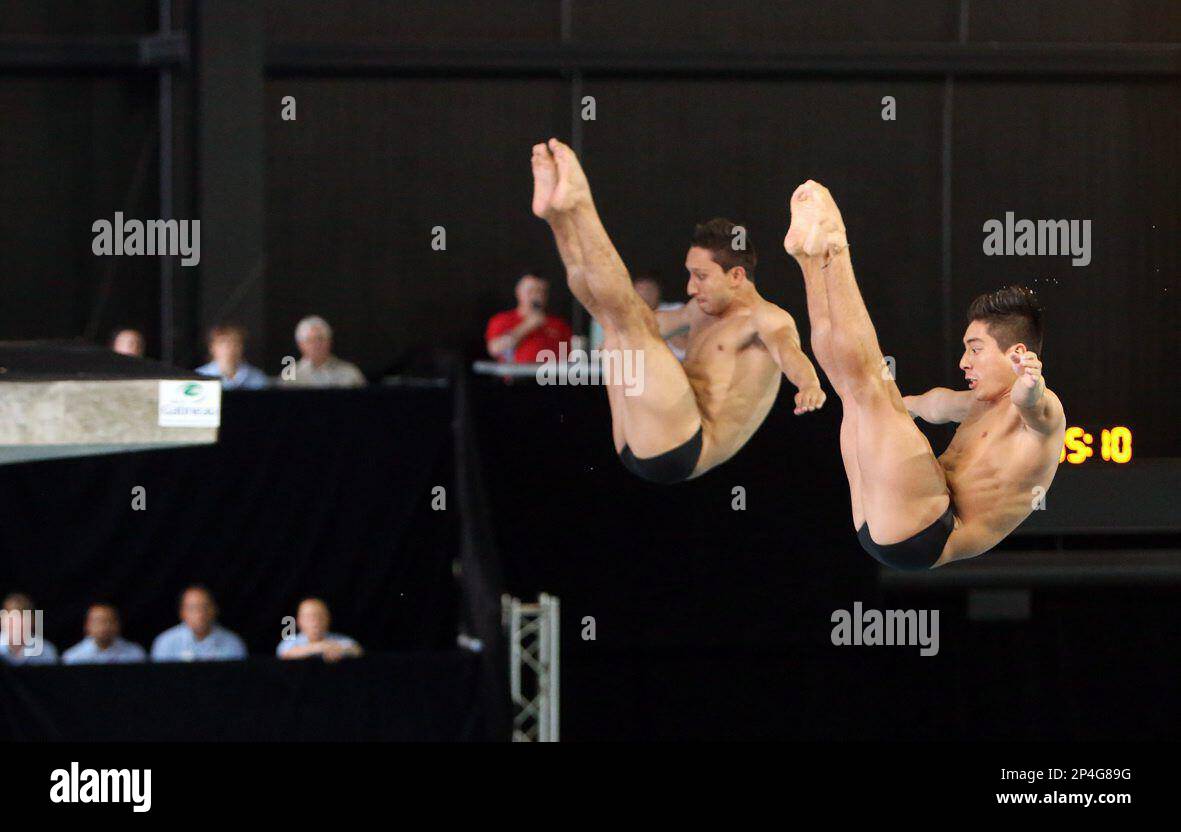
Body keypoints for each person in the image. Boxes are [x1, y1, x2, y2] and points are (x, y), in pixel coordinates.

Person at [782, 180, 1065, 570]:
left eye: (975, 349)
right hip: (884, 521)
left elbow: (1031, 406)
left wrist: (1031, 385)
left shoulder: (1044, 411)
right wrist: (898, 409)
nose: (964, 362)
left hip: (931, 531)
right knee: (853, 391)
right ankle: (810, 262)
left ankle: (834, 244)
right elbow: (931, 404)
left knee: (870, 388)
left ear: (1017, 353)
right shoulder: (978, 403)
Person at [530, 138, 825, 484]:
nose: (689, 288)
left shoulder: (766, 318)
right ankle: (557, 217)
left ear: (736, 276)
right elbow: (632, 319)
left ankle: (580, 204)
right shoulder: (699, 311)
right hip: (635, 441)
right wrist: (619, 341)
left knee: (629, 322)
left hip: (685, 446)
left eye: (700, 276)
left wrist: (809, 384)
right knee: (611, 322)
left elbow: (788, 351)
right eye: (690, 274)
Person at [485, 272, 573, 362]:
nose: (536, 296)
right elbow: (494, 349)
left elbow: (571, 354)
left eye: (541, 292)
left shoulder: (558, 324)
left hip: (550, 374)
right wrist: (527, 326)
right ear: (518, 292)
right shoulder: (502, 320)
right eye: (531, 291)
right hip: (517, 374)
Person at [150, 586, 247, 662]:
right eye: (192, 608)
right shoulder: (165, 642)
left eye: (205, 607)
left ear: (215, 609)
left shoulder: (233, 643)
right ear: (182, 612)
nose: (200, 613)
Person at [286, 315, 366, 387]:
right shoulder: (290, 376)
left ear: (329, 342)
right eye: (310, 340)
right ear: (301, 344)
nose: (316, 345)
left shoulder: (350, 374)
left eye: (320, 339)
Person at [276, 598, 362, 662]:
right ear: (299, 621)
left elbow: (356, 649)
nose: (315, 621)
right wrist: (320, 647)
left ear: (328, 619)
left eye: (320, 616)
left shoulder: (335, 638)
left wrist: (341, 651)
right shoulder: (292, 641)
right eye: (309, 617)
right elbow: (283, 653)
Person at [61, 602, 146, 664]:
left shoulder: (135, 654)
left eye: (109, 621)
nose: (104, 626)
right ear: (87, 625)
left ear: (118, 624)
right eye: (98, 621)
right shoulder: (73, 657)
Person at [196, 323, 268, 389]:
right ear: (212, 348)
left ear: (242, 347)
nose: (229, 348)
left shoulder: (258, 378)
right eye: (222, 343)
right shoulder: (198, 377)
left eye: (235, 343)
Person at [0, 592, 58, 665]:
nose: (16, 629)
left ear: (32, 622)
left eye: (21, 626)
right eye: (12, 625)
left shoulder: (46, 652)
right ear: (2, 621)